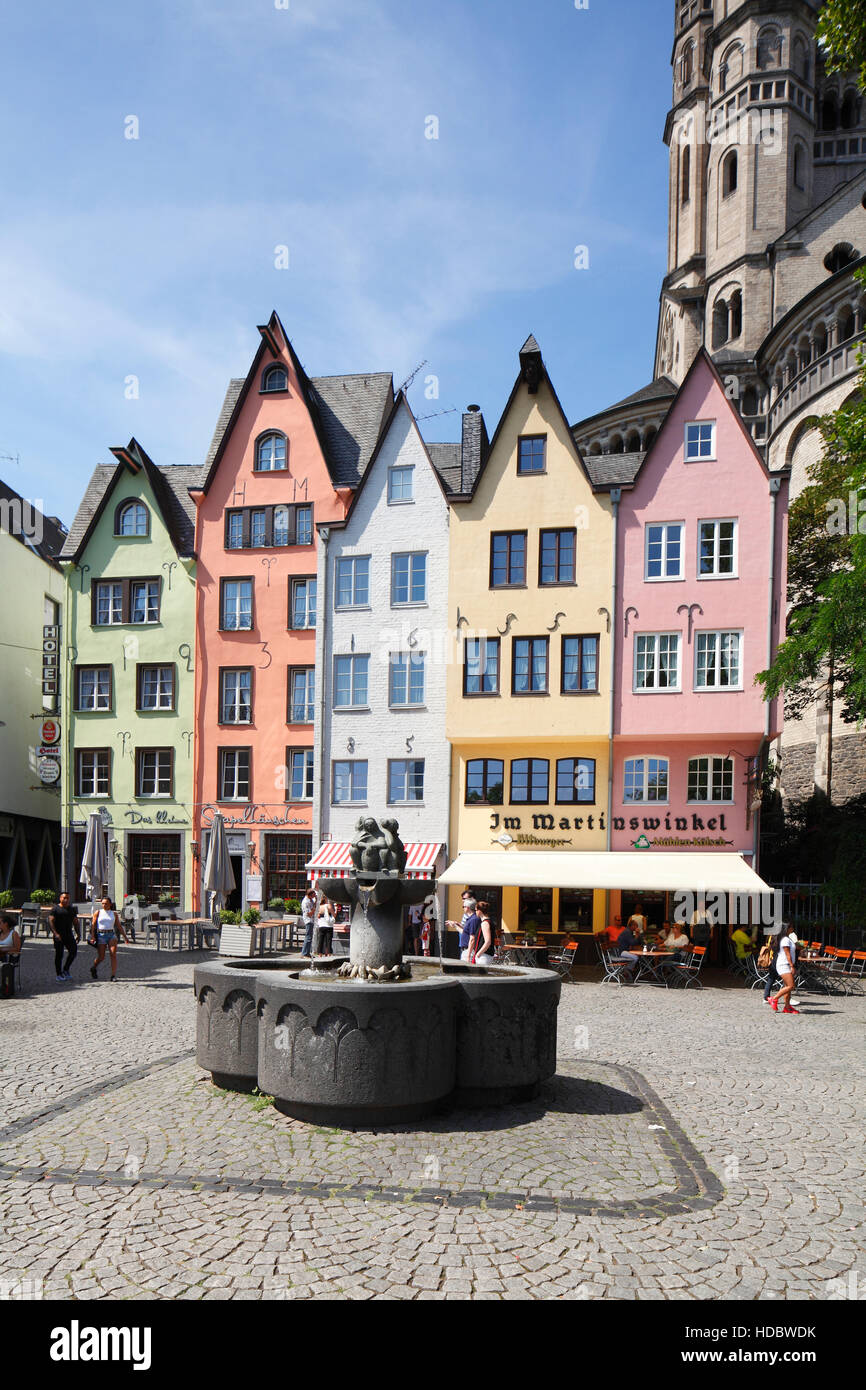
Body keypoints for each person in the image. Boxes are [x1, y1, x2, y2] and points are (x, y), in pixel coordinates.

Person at [88, 897, 128, 981]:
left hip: (111, 935)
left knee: (113, 954)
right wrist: (93, 936)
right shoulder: (98, 912)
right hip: (101, 935)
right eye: (102, 903)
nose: (104, 905)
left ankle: (113, 976)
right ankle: (93, 967)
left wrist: (125, 937)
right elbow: (93, 925)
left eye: (106, 903)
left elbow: (119, 926)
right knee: (101, 957)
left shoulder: (114, 914)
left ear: (110, 904)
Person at [50, 891, 80, 982]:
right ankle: (58, 974)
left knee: (73, 951)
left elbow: (75, 922)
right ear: (60, 898)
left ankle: (66, 969)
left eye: (67, 898)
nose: (66, 899)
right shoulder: (55, 909)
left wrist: (78, 933)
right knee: (59, 955)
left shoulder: (71, 909)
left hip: (69, 934)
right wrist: (55, 933)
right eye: (64, 898)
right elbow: (51, 921)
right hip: (59, 935)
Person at [769, 923, 798, 1014]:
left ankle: (787, 1007)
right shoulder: (785, 939)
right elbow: (787, 954)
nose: (793, 928)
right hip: (784, 964)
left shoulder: (786, 938)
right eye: (791, 927)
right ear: (787, 929)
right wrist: (792, 966)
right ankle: (774, 999)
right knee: (791, 986)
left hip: (785, 964)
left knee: (787, 987)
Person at [0, 913, 21, 998]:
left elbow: (17, 948)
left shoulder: (13, 934)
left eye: (0, 922)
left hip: (8, 957)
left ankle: (5, 989)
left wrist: (5, 950)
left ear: (6, 924)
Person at [459, 898, 480, 962]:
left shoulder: (473, 920)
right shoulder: (471, 919)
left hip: (469, 950)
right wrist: (455, 925)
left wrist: (468, 955)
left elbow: (472, 938)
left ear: (467, 908)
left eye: (463, 906)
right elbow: (465, 933)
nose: (463, 908)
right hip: (466, 950)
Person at [301, 884, 317, 957]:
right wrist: (314, 909)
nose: (315, 895)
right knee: (308, 937)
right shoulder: (305, 902)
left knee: (309, 937)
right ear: (310, 894)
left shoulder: (310, 900)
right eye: (314, 894)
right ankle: (304, 953)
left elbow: (314, 907)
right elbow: (309, 914)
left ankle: (307, 953)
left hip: (311, 920)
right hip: (308, 921)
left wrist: (316, 900)